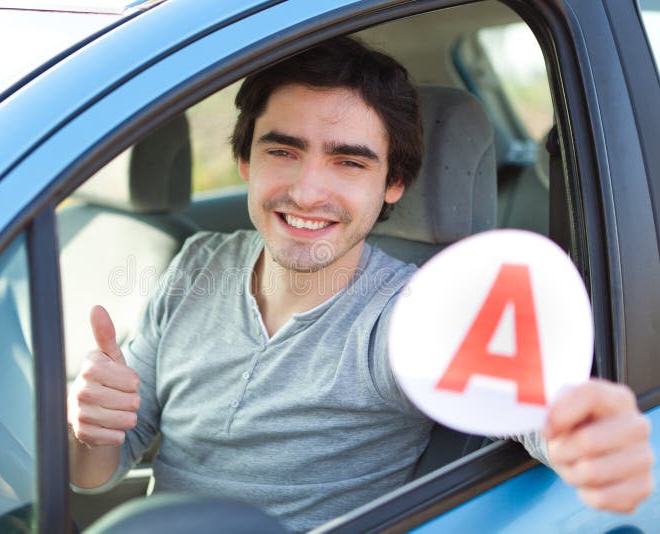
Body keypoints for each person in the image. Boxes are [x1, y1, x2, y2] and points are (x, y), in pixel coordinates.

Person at [67, 37, 653, 531]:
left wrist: (590, 437)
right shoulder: (197, 263)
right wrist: (89, 426)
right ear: (245, 160)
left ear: (393, 182)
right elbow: (96, 470)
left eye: (349, 162)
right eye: (283, 150)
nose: (307, 191)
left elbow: (535, 411)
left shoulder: (415, 312)